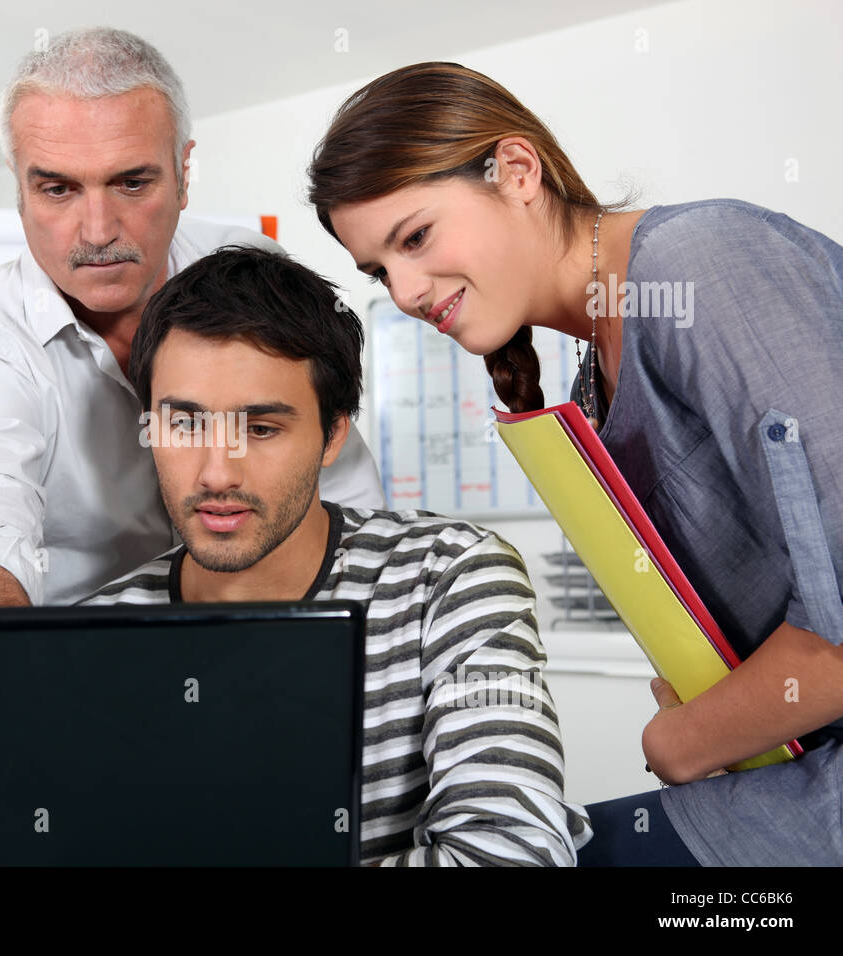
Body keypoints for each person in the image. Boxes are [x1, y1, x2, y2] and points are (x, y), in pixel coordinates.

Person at [308, 61, 843, 865]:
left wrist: (685, 739)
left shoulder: (698, 262)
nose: (408, 290)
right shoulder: (592, 376)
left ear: (518, 172)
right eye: (380, 270)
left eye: (415, 237)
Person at [81, 245, 590, 865]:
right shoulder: (95, 633)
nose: (215, 473)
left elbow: (512, 855)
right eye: (185, 424)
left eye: (262, 429)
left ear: (331, 436)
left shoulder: (447, 580)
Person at [0, 27, 384, 610]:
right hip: (80, 657)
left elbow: (336, 482)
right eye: (57, 188)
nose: (98, 232)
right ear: (19, 188)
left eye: (131, 182)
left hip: (277, 622)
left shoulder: (250, 272)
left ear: (183, 171)